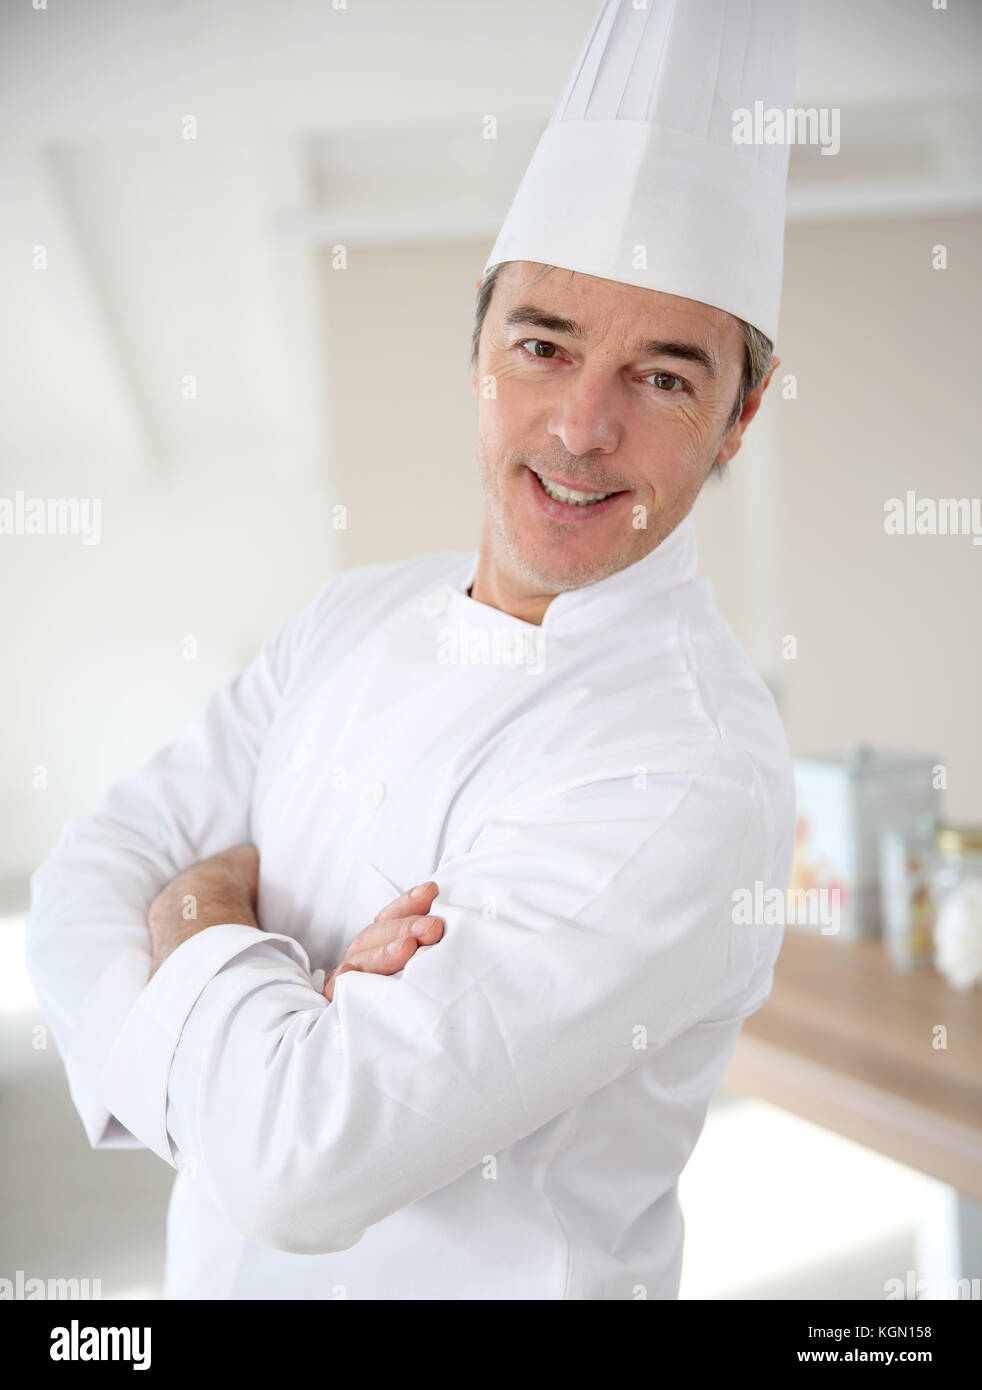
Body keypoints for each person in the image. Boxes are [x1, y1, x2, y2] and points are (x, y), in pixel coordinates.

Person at [26, 0, 800, 1299]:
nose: (581, 426)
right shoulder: (356, 614)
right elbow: (78, 882)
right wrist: (273, 1034)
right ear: (478, 349)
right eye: (542, 345)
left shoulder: (682, 766)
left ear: (739, 416)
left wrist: (200, 913)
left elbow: (294, 1166)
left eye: (663, 378)